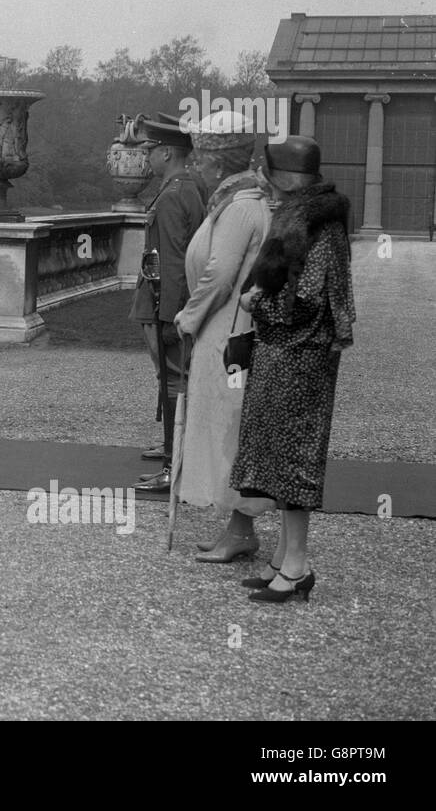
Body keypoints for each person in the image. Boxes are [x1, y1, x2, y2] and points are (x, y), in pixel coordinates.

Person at [231, 136, 355, 603]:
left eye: (265, 175)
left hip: (300, 357)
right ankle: (284, 560)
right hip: (285, 356)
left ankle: (298, 566)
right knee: (278, 458)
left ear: (279, 178)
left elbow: (306, 301)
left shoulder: (317, 225)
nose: (261, 184)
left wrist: (256, 301)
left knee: (294, 459)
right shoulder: (303, 216)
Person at [170, 114, 274, 562]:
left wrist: (189, 317)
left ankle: (241, 529)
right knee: (225, 425)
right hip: (227, 328)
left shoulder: (240, 207)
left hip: (230, 333)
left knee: (230, 429)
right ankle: (236, 527)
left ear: (216, 162)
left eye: (202, 156)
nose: (196, 165)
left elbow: (220, 274)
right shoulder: (238, 202)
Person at [128, 114, 205, 492]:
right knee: (171, 379)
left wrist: (170, 315)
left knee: (174, 378)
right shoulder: (183, 187)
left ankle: (174, 467)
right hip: (160, 296)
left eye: (152, 149)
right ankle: (173, 449)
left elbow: (174, 259)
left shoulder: (175, 194)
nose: (148, 156)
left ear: (168, 153)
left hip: (164, 300)